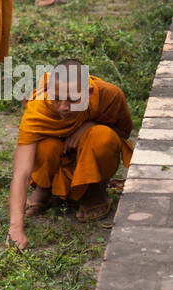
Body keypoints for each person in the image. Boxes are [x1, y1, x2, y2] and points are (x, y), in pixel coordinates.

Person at [7, 60, 133, 248]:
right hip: (56, 156)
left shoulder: (110, 95)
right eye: (57, 98)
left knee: (104, 137)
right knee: (44, 147)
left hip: (89, 149)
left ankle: (95, 192)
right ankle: (44, 188)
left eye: (73, 100)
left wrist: (90, 124)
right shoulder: (38, 110)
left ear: (88, 93)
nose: (64, 107)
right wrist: (15, 228)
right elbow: (21, 173)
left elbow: (122, 132)